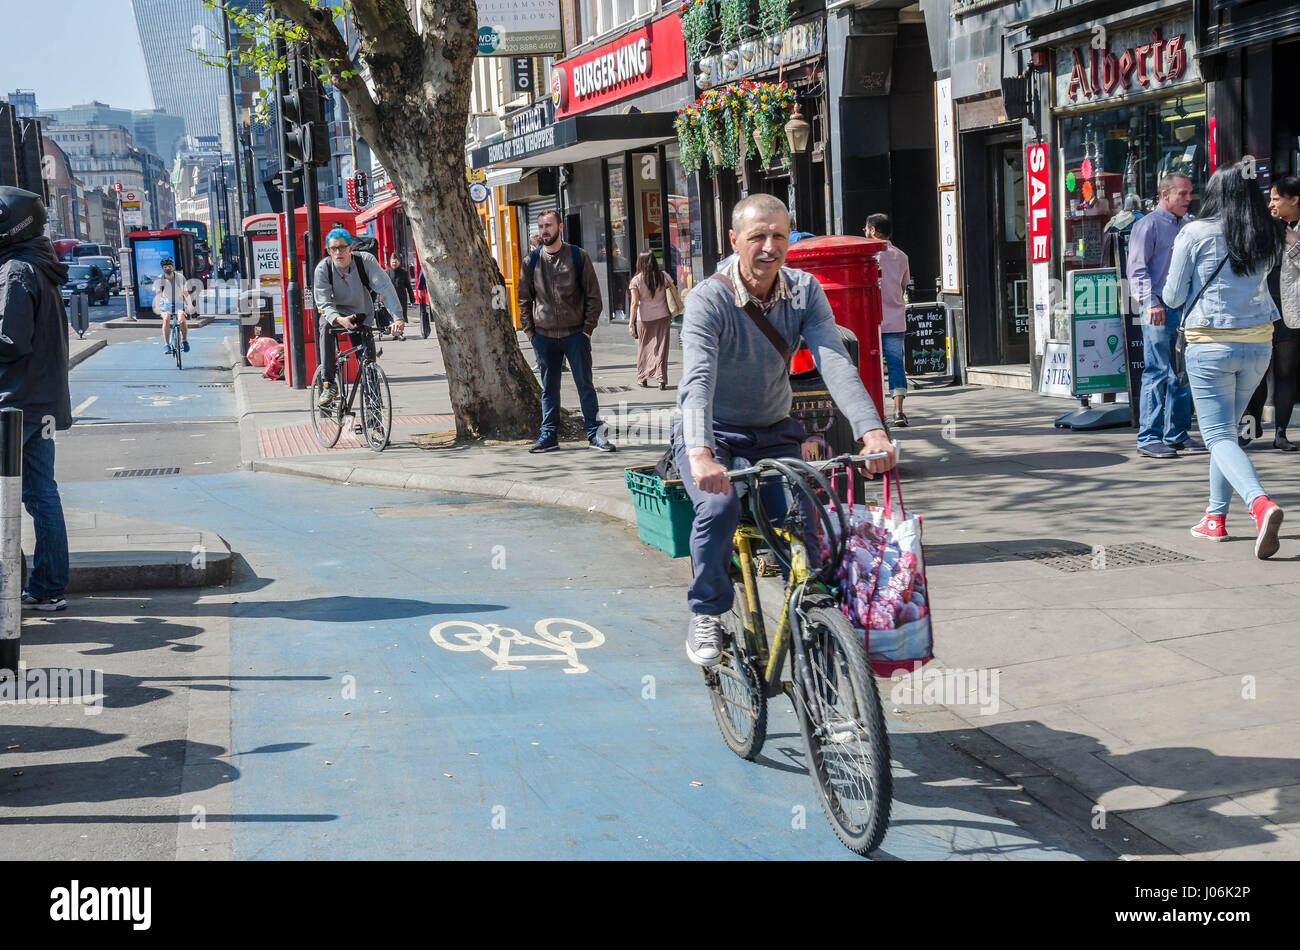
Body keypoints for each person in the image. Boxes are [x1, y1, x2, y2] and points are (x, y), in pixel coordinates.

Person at [674, 193, 896, 666]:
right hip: (712, 434)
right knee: (718, 508)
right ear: (734, 241)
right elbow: (697, 380)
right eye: (757, 236)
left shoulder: (805, 291)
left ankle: (819, 632)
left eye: (779, 235)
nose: (769, 247)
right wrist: (699, 453)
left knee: (803, 518)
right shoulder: (708, 299)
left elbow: (834, 361)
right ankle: (707, 612)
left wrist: (872, 431)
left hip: (774, 429)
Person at [1162, 161, 1284, 558]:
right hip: (1259, 343)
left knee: (1215, 436)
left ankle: (1259, 504)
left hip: (1210, 344)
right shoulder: (1268, 235)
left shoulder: (1194, 232)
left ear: (1215, 194)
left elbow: (1174, 297)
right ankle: (1214, 518)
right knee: (1226, 434)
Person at [0, 187, 73, 611]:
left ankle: (12, 582)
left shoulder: (13, 271)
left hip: (12, 402)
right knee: (42, 493)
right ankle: (47, 588)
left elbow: (11, 340)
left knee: (29, 496)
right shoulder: (43, 266)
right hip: (43, 402)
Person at [518, 209, 614, 453]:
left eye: (548, 225)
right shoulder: (531, 262)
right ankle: (549, 435)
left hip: (575, 336)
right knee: (549, 389)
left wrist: (587, 331)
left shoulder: (577, 256)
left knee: (585, 386)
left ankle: (595, 434)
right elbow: (523, 300)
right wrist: (531, 333)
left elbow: (594, 296)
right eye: (540, 226)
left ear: (560, 227)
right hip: (544, 336)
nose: (544, 231)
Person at [1127, 173, 1204, 458]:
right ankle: (1148, 437)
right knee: (1158, 370)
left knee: (1182, 374)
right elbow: (1136, 269)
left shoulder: (1190, 225)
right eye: (1182, 193)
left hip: (1184, 308)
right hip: (1158, 308)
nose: (1188, 198)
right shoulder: (1147, 226)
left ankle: (1177, 434)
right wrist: (1151, 302)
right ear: (1165, 195)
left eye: (1190, 193)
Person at [312, 226, 405, 408]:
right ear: (328, 251)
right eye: (333, 249)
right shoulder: (323, 268)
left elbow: (385, 288)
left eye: (342, 247)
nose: (338, 252)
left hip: (361, 313)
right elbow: (323, 302)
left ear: (351, 248)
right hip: (335, 315)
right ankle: (329, 383)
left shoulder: (366, 261)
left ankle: (375, 420)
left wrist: (398, 317)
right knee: (325, 326)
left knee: (369, 368)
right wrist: (339, 319)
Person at [1241, 175, 1300, 450]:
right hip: (1262, 311)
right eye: (1271, 198)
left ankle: (1281, 433)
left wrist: (1295, 244)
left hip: (1291, 313)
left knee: (1286, 373)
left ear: (1294, 200)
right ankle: (1251, 428)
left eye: (1276, 199)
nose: (1271, 204)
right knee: (1256, 372)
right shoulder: (1264, 227)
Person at [866, 213, 912, 427]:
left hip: (870, 320)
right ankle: (898, 411)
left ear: (873, 230)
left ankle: (873, 412)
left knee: (868, 367)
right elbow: (903, 287)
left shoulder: (869, 256)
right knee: (896, 365)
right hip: (895, 319)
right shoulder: (901, 256)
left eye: (866, 229)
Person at [628, 250, 675, 390]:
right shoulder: (664, 276)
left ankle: (642, 378)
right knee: (662, 348)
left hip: (645, 319)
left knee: (644, 347)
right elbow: (674, 292)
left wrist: (631, 324)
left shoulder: (636, 280)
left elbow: (634, 303)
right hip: (663, 316)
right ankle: (661, 379)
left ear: (640, 263)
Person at [153, 256, 193, 355]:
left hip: (179, 303)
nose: (168, 268)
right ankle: (167, 344)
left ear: (173, 266)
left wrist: (190, 304)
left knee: (181, 320)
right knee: (166, 318)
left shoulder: (180, 277)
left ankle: (184, 340)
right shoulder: (160, 279)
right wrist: (157, 307)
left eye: (169, 266)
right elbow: (158, 295)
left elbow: (186, 293)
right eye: (165, 267)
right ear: (162, 268)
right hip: (165, 304)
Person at [386, 253, 414, 340]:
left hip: (401, 298)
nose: (394, 264)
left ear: (399, 262)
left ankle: (400, 333)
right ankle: (395, 333)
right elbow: (382, 287)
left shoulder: (403, 273)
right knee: (392, 316)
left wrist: (412, 299)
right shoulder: (386, 273)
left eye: (396, 262)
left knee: (401, 316)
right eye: (393, 262)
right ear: (390, 262)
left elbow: (409, 287)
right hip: (390, 299)